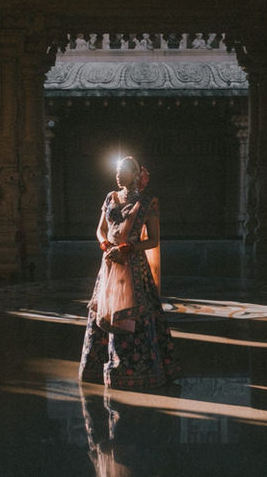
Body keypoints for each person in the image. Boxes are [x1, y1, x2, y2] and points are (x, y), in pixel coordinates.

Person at [78, 156, 180, 389]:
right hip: (110, 262)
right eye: (116, 170)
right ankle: (101, 366)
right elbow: (101, 229)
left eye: (123, 170)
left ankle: (135, 369)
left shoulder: (148, 203)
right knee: (104, 312)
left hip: (133, 265)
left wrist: (129, 248)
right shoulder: (110, 197)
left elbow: (153, 240)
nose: (117, 174)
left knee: (135, 315)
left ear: (136, 175)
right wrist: (105, 245)